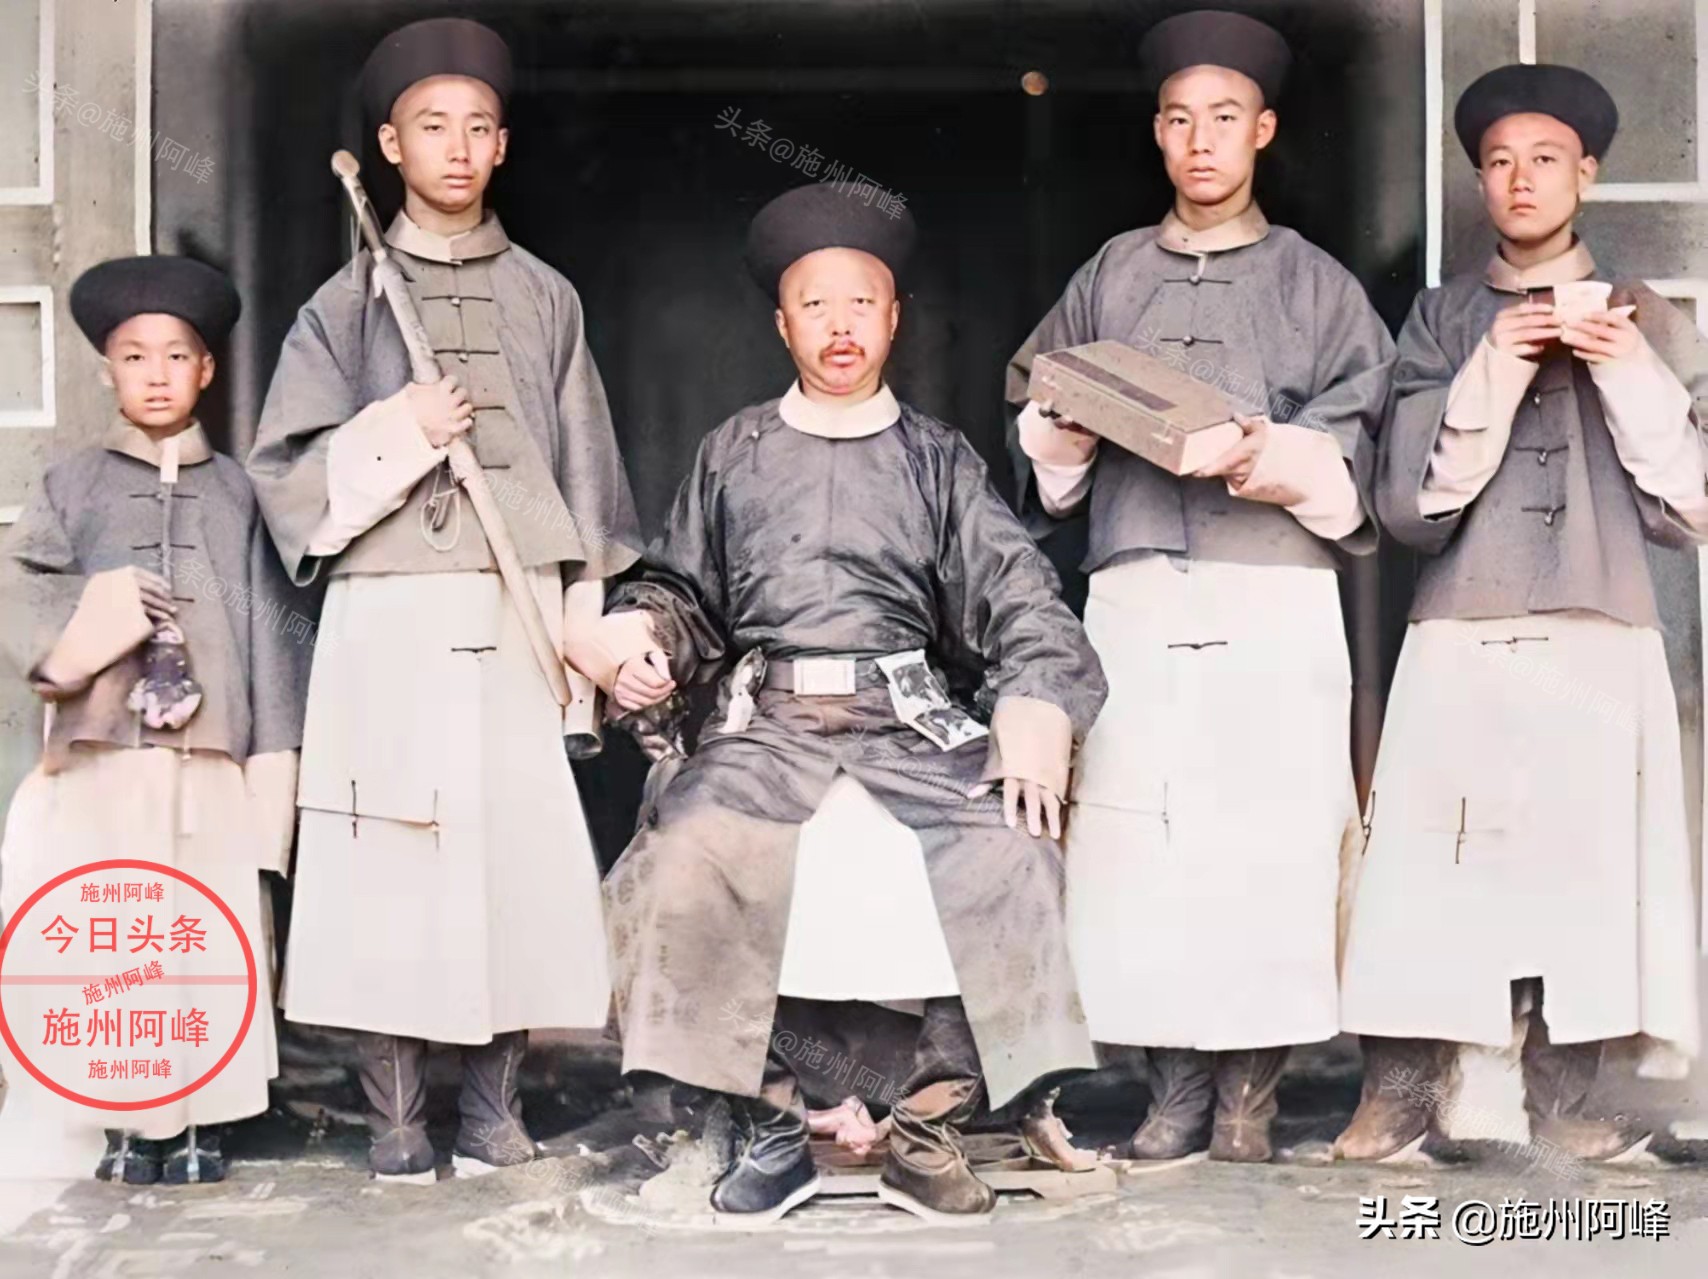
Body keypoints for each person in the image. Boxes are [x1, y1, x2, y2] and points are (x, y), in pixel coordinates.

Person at [564, 182, 1105, 1224]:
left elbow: (1024, 598)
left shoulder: (937, 460)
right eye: (815, 304)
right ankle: (772, 1123)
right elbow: (679, 590)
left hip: (908, 727)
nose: (840, 324)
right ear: (783, 324)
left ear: (894, 316)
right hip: (766, 729)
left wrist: (1038, 708)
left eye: (862, 302)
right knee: (689, 844)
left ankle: (929, 1125)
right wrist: (642, 644)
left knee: (1011, 843)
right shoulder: (733, 452)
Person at [247, 18, 642, 1180]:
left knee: (503, 858)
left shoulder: (548, 299)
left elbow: (589, 485)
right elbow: (286, 486)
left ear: (503, 144)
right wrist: (397, 430)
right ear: (389, 144)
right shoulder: (341, 306)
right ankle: (397, 1113)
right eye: (432, 126)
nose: (457, 148)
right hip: (385, 620)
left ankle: (492, 1108)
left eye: (478, 127)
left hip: (510, 616)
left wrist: (579, 627)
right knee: (388, 860)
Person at [1005, 9, 1395, 1164]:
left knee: (1266, 840)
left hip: (1270, 597)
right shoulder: (1109, 274)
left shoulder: (1317, 285)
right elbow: (1041, 425)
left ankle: (1247, 1094)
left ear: (1262, 130)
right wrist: (1061, 427)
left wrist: (1267, 454)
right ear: (1158, 134)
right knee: (1142, 844)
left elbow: (1364, 443)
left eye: (1225, 118)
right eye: (1179, 120)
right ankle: (1172, 1088)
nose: (1201, 141)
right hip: (1137, 596)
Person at [1337, 63, 1705, 1161]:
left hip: (1600, 620)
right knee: (1452, 855)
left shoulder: (1647, 314)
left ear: (1586, 174)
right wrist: (1490, 371)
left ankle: (1571, 1092)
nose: (1519, 179)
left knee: (1584, 855)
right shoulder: (1441, 318)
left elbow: (1690, 502)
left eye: (1544, 159)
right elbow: (1411, 503)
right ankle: (1442, 1088)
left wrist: (1629, 368)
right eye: (1497, 162)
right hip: (1465, 623)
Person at [0, 256, 306, 1184]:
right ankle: (130, 1121)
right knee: (120, 931)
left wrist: (272, 761)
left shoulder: (240, 493)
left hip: (209, 756)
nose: (158, 375)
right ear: (109, 371)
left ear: (206, 369)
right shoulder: (72, 484)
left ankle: (205, 1118)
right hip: (106, 755)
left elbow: (272, 631)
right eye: (135, 357)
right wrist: (99, 611)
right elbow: (22, 590)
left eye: (178, 355)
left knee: (206, 934)